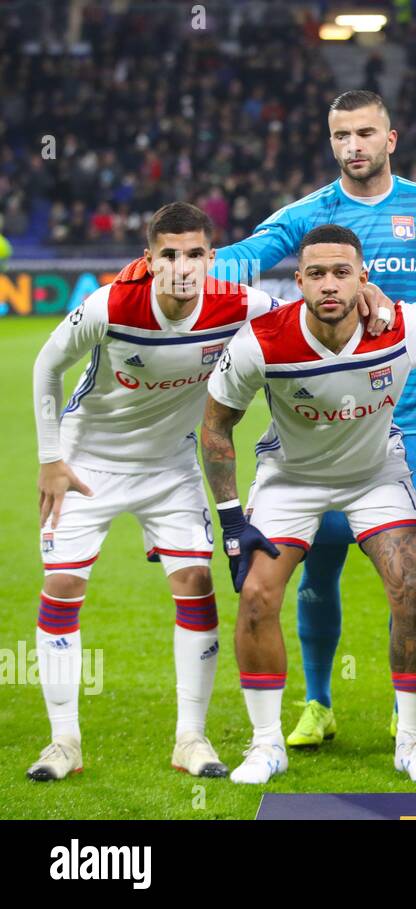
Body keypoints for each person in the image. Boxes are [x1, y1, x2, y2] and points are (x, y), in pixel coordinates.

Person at [213, 90, 416, 750]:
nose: (353, 145)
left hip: (408, 424)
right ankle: (318, 703)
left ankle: (408, 714)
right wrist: (190, 272)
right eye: (340, 135)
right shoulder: (307, 216)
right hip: (321, 425)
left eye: (365, 132)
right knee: (318, 566)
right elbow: (238, 259)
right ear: (331, 144)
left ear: (392, 137)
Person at [27, 203, 283, 781]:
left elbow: (307, 314)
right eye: (168, 254)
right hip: (87, 462)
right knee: (63, 584)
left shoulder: (238, 305)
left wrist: (371, 301)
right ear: (149, 259)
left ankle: (190, 738)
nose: (181, 267)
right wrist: (50, 459)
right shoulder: (110, 305)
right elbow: (47, 366)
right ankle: (62, 741)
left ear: (210, 258)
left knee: (195, 584)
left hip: (170, 467)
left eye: (194, 253)